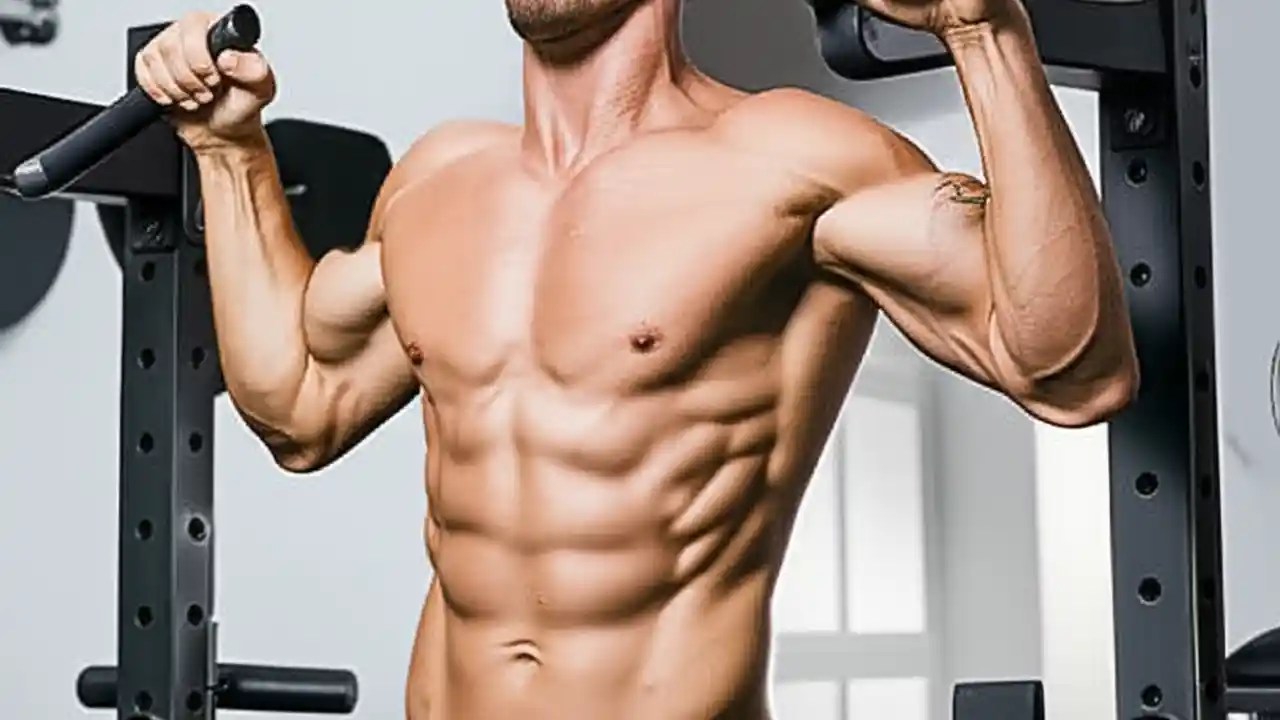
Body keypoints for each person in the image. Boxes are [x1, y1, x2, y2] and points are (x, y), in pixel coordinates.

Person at [134, 0, 1139, 717]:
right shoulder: (440, 177)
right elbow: (299, 408)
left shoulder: (787, 159)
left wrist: (983, 30)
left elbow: (1066, 365)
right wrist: (230, 153)